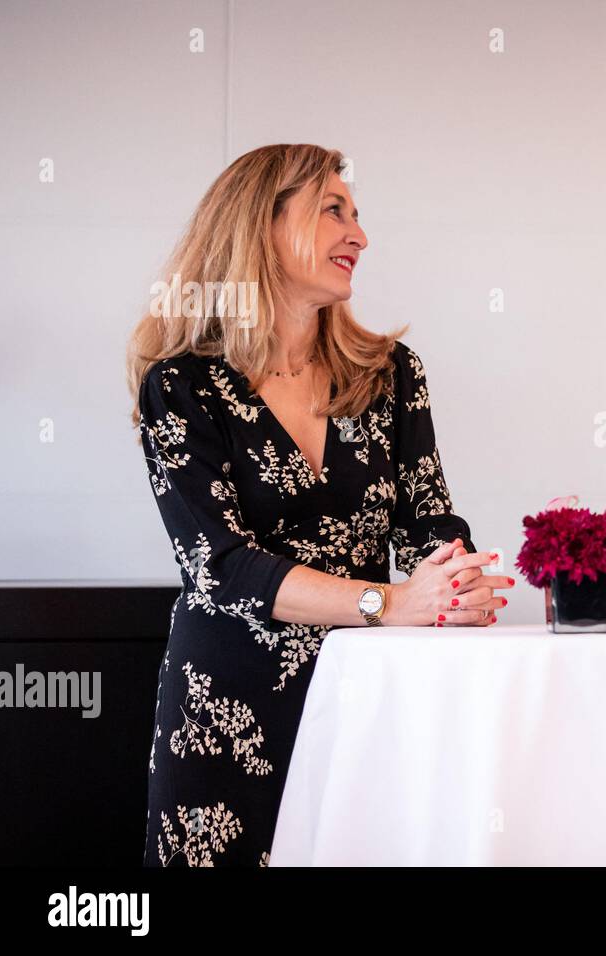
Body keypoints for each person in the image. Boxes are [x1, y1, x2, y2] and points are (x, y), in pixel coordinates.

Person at [125, 144, 514, 866]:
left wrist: (453, 582)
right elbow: (223, 568)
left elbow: (428, 520)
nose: (359, 236)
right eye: (334, 210)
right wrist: (392, 604)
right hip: (228, 708)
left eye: (357, 215)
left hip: (365, 698)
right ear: (258, 226)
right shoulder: (181, 387)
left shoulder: (390, 374)